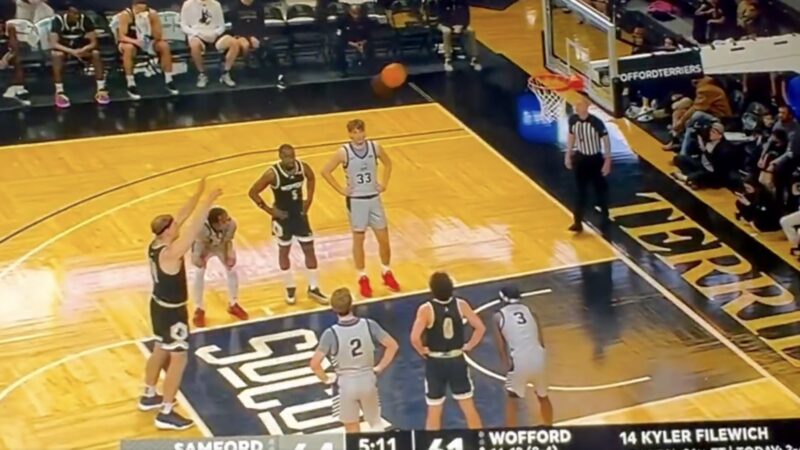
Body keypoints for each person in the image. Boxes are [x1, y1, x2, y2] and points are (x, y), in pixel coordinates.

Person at [140, 178, 222, 430]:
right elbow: (192, 230)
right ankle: (166, 411)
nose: (177, 225)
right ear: (167, 232)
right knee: (179, 358)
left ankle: (149, 394)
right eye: (173, 226)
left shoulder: (156, 244)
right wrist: (207, 202)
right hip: (172, 313)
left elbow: (182, 216)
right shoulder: (171, 253)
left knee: (159, 349)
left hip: (158, 305)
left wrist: (197, 193)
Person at [321, 119, 400, 298]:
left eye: (360, 131)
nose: (358, 135)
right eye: (354, 132)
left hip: (374, 198)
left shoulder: (375, 147)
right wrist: (341, 189)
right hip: (356, 201)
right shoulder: (344, 152)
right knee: (359, 240)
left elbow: (388, 163)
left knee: (384, 239)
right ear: (349, 134)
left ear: (365, 132)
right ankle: (362, 277)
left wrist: (384, 183)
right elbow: (325, 171)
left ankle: (386, 271)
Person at [309, 287, 399, 433]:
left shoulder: (330, 333)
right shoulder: (369, 324)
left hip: (346, 384)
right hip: (368, 380)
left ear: (333, 308)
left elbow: (314, 364)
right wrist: (380, 367)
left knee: (351, 429)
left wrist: (326, 379)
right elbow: (393, 346)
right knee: (375, 423)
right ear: (352, 305)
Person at [248, 144, 328, 305]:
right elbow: (253, 192)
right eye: (286, 156)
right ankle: (289, 286)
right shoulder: (272, 174)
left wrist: (309, 199)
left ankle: (313, 288)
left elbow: (312, 178)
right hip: (282, 219)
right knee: (284, 251)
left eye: (292, 155)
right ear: (280, 157)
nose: (290, 159)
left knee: (309, 250)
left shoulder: (302, 167)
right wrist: (270, 211)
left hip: (299, 215)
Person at [410, 271, 485, 430]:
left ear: (432, 289)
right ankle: (479, 440)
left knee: (434, 410)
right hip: (457, 360)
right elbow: (480, 328)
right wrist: (469, 345)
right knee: (468, 407)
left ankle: (432, 442)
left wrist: (422, 350)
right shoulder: (461, 304)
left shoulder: (426, 309)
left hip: (436, 362)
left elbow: (415, 338)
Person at [492, 285, 553, 426]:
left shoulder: (498, 316)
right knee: (543, 396)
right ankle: (549, 428)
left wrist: (506, 366)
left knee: (512, 400)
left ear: (502, 299)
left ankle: (511, 435)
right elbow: (541, 342)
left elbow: (501, 346)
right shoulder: (531, 312)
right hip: (539, 358)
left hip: (519, 361)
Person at [190, 206, 249, 327]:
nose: (228, 222)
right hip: (204, 247)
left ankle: (233, 304)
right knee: (198, 272)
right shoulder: (200, 228)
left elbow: (228, 242)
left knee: (232, 269)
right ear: (215, 224)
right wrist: (197, 258)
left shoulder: (232, 224)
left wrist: (230, 255)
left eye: (228, 219)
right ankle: (198, 308)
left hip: (222, 245)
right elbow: (198, 245)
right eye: (224, 221)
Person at [49, 2, 109, 108]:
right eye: (74, 13)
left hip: (81, 48)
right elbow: (54, 43)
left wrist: (84, 49)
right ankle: (59, 91)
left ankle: (101, 89)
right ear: (68, 12)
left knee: (95, 53)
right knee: (56, 55)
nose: (77, 16)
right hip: (65, 49)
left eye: (78, 13)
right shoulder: (58, 20)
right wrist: (71, 51)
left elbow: (93, 42)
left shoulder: (85, 19)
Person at [564, 98, 611, 232]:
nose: (576, 107)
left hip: (595, 159)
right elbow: (571, 135)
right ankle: (577, 222)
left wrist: (607, 161)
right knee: (580, 191)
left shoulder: (596, 122)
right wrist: (568, 154)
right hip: (581, 158)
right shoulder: (573, 120)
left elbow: (606, 140)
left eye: (580, 104)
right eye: (576, 104)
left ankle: (605, 213)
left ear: (586, 106)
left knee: (599, 189)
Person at [117, 0, 179, 99]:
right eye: (138, 8)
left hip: (148, 41)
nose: (141, 10)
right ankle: (131, 83)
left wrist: (149, 23)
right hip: (130, 41)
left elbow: (158, 36)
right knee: (129, 48)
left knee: (164, 46)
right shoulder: (126, 15)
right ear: (134, 6)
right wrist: (136, 41)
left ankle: (169, 80)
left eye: (143, 8)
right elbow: (121, 36)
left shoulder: (152, 14)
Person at [180, 0, 240, 88]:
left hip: (214, 34)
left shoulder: (216, 4)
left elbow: (221, 26)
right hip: (197, 35)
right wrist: (196, 33)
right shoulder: (187, 4)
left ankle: (225, 72)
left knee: (234, 43)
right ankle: (202, 74)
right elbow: (183, 26)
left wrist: (215, 33)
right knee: (194, 45)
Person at [228, 0, 285, 89]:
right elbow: (236, 29)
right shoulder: (234, 8)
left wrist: (258, 38)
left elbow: (261, 26)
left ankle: (279, 76)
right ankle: (251, 68)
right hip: (241, 37)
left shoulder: (259, 6)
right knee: (246, 45)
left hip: (256, 36)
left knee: (271, 49)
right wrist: (249, 37)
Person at [437, 0, 481, 72]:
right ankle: (448, 59)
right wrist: (452, 26)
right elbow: (442, 17)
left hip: (460, 24)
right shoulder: (442, 2)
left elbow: (466, 16)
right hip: (444, 24)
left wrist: (461, 25)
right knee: (447, 32)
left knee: (471, 31)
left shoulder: (462, 2)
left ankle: (474, 58)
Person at [1, 1, 31, 105]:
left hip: (4, 52)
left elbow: (14, 47)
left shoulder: (10, 26)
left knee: (17, 59)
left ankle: (19, 87)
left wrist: (6, 58)